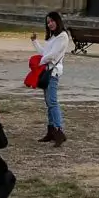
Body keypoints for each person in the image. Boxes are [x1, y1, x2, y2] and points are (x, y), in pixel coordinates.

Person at [33, 11, 71, 146]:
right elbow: (45, 53)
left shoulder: (63, 36)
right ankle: (51, 130)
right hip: (46, 71)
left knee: (53, 102)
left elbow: (53, 55)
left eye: (52, 21)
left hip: (53, 73)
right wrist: (35, 42)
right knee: (49, 103)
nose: (50, 24)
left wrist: (40, 62)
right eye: (48, 22)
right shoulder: (53, 37)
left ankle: (59, 131)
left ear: (58, 21)